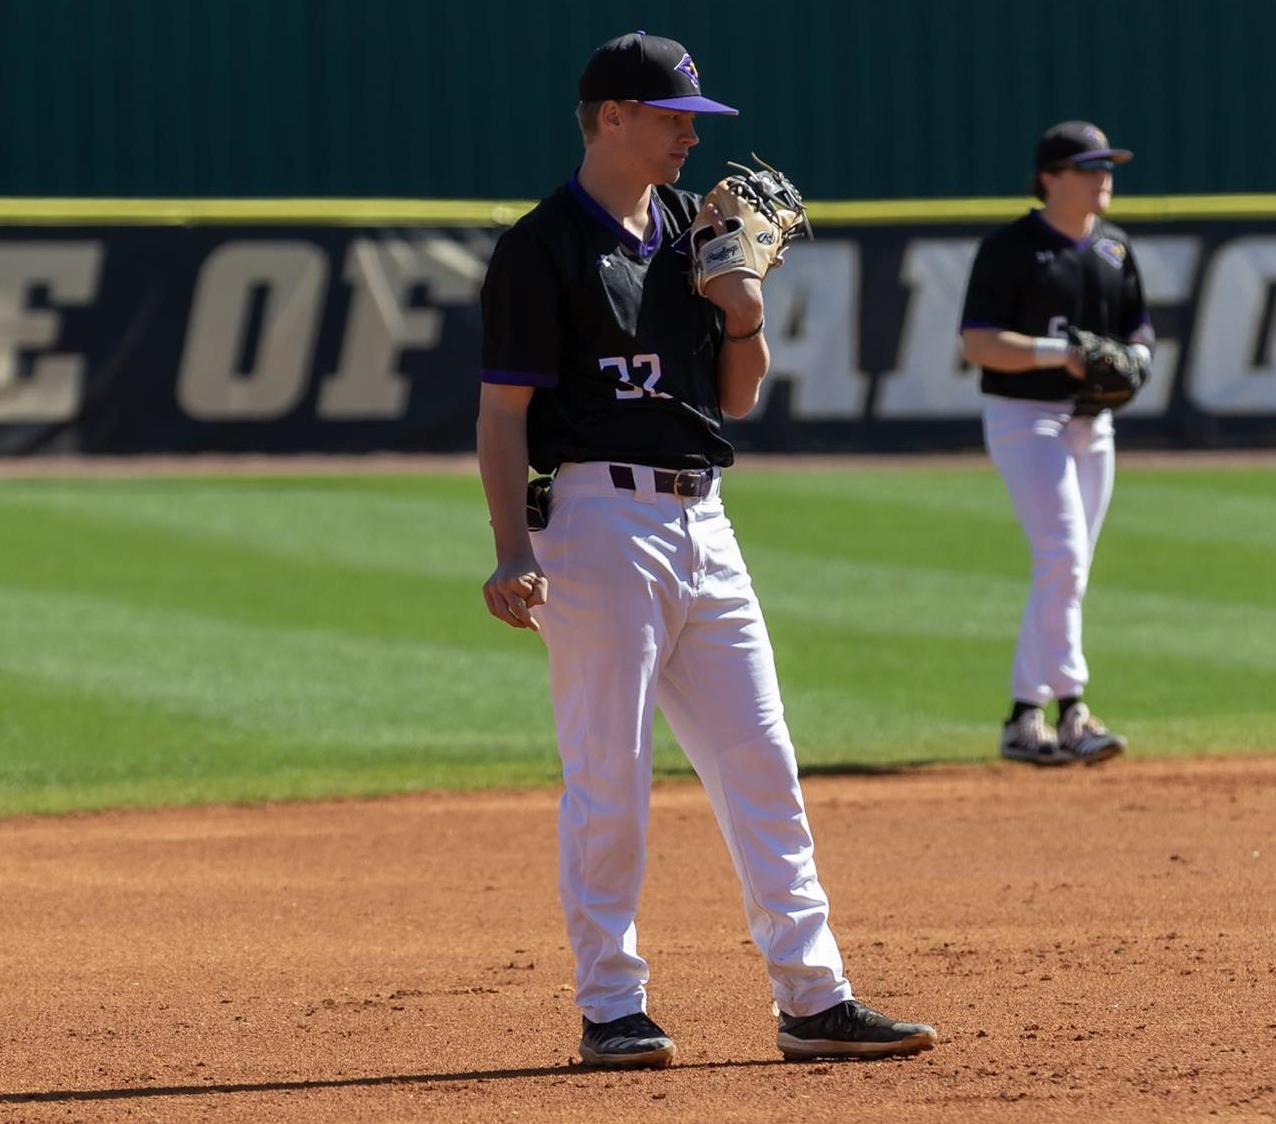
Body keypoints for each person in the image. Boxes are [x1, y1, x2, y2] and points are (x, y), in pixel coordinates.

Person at [474, 31, 937, 1069]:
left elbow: (737, 396)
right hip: (596, 522)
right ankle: (610, 1005)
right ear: (611, 117)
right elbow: (502, 415)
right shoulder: (543, 247)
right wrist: (510, 548)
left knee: (761, 763)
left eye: (696, 119)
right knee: (609, 777)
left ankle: (813, 997)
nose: (692, 135)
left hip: (704, 518)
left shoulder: (696, 229)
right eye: (674, 116)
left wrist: (743, 315)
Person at [957, 121, 1154, 767]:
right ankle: (1073, 710)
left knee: (1066, 569)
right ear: (1049, 177)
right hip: (1025, 415)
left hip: (1093, 421)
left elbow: (1140, 331)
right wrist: (1060, 353)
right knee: (1063, 556)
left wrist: (1137, 359)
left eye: (1108, 167)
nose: (1104, 178)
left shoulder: (1116, 249)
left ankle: (1023, 717)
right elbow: (977, 342)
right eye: (1089, 167)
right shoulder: (1011, 249)